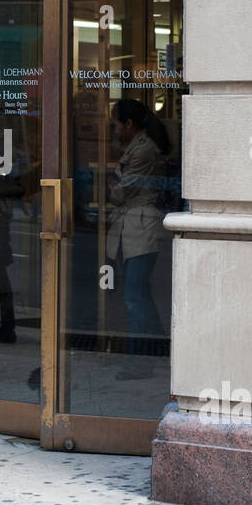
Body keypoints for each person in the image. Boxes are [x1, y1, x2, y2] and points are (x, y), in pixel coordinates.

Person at [106, 98, 171, 380]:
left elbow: (121, 191)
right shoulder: (135, 147)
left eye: (116, 123)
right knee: (139, 294)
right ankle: (157, 350)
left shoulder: (143, 151)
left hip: (140, 228)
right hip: (131, 228)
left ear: (129, 124)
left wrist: (114, 184)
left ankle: (138, 362)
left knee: (134, 298)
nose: (114, 129)